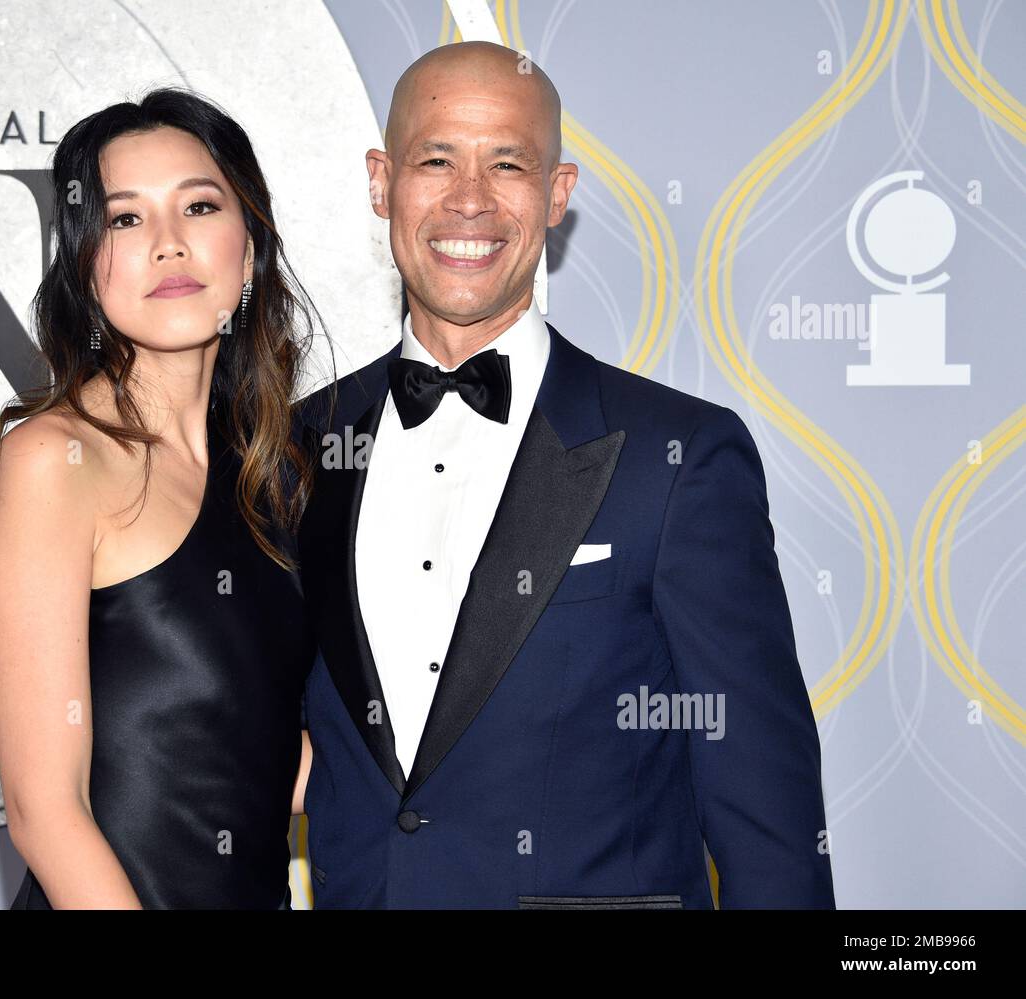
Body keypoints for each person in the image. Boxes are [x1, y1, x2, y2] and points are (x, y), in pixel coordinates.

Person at [293, 42, 836, 909]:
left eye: (507, 163)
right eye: (436, 159)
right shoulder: (293, 449)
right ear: (379, 182)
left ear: (556, 194)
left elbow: (765, 810)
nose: (469, 198)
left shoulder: (679, 456)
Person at [0, 87, 325, 909]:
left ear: (249, 246)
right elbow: (43, 811)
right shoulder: (53, 462)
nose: (169, 245)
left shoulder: (275, 475)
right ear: (87, 262)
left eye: (200, 206)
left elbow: (262, 755)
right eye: (125, 219)